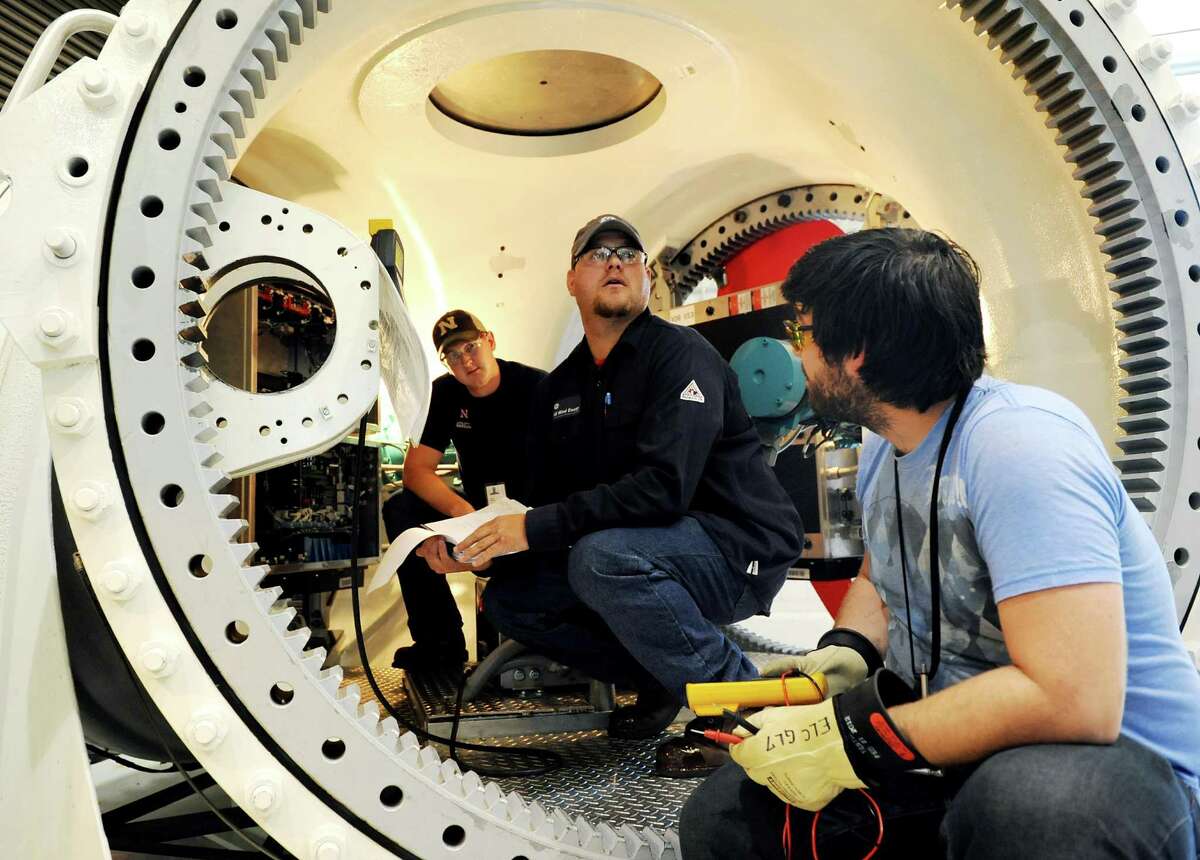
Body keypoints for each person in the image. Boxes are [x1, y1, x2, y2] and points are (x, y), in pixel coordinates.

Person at [680, 228, 1200, 858]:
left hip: (1112, 777)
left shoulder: (1020, 448)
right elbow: (882, 575)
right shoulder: (886, 449)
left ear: (859, 355)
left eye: (805, 334)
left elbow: (1074, 700)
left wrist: (854, 738)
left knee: (1027, 807)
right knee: (729, 817)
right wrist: (848, 652)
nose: (798, 356)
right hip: (959, 759)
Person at [453, 214, 805, 755]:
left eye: (628, 254)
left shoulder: (681, 355)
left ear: (645, 277)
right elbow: (548, 505)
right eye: (597, 254)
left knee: (600, 557)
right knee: (511, 601)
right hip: (637, 548)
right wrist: (478, 549)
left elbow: (664, 490)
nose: (614, 261)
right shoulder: (559, 388)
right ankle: (660, 678)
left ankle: (746, 704)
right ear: (572, 280)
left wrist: (536, 528)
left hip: (735, 547)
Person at [383, 309, 544, 672]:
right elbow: (416, 471)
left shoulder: (537, 387)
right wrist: (461, 514)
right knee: (399, 511)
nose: (466, 361)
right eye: (453, 355)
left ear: (490, 341)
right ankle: (439, 645)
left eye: (471, 347)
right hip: (476, 514)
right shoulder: (445, 395)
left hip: (533, 519)